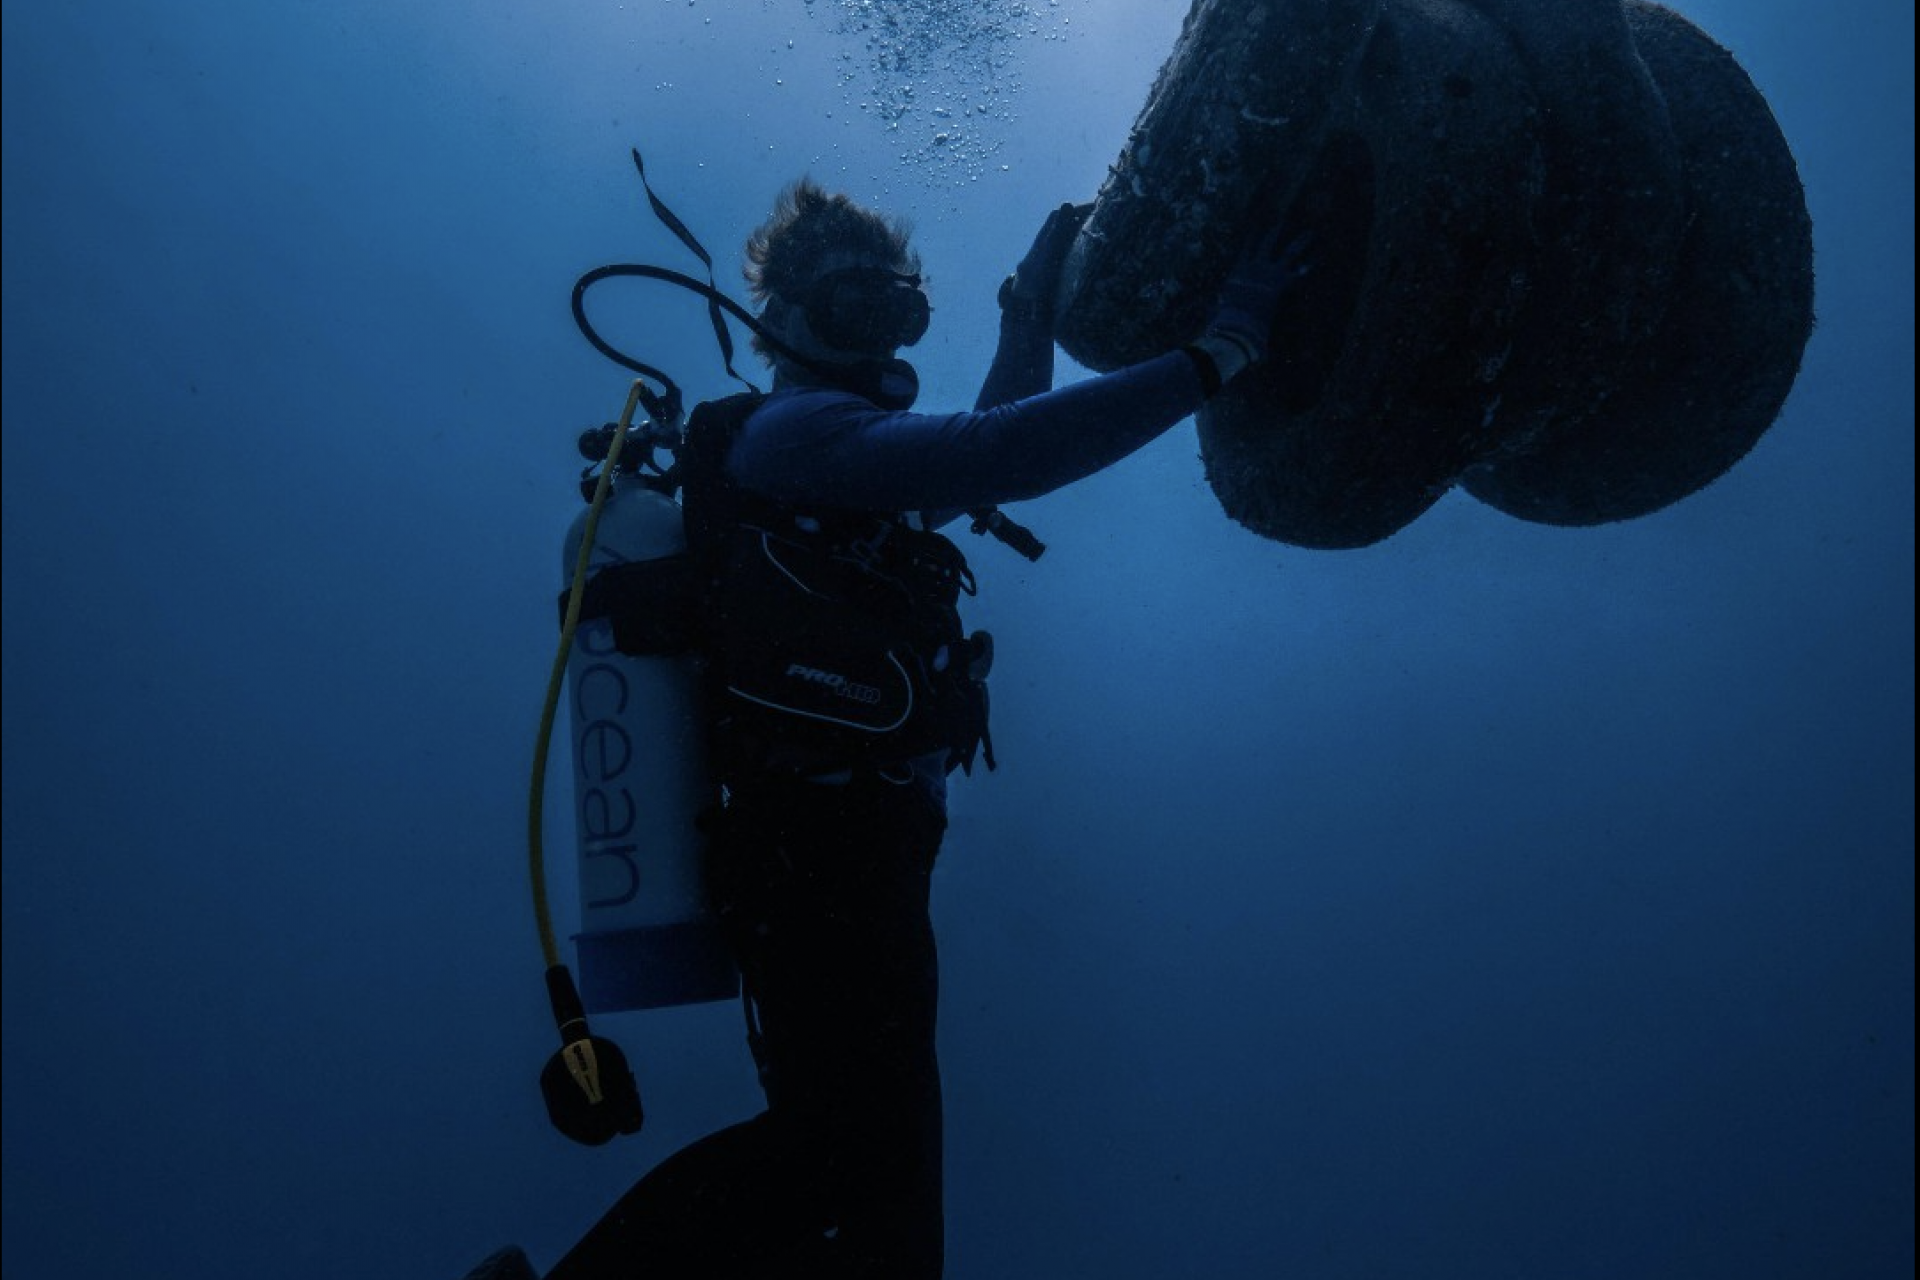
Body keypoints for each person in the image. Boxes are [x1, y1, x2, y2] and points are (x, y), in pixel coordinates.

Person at [467, 178, 1304, 1280]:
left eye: (898, 311)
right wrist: (1221, 352)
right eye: (851, 308)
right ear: (790, 324)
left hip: (853, 857)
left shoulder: (840, 455)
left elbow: (971, 451)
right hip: (816, 859)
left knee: (886, 1208)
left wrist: (1024, 312)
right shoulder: (795, 432)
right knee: (842, 1162)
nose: (879, 336)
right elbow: (988, 457)